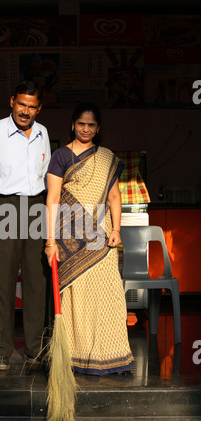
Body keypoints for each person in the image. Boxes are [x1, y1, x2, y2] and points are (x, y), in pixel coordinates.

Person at [45, 102, 134, 376]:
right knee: (77, 297)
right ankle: (76, 355)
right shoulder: (61, 156)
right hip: (70, 237)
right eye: (81, 124)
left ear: (98, 128)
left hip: (101, 235)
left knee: (108, 295)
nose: (86, 129)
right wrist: (50, 241)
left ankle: (112, 355)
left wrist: (117, 229)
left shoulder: (106, 157)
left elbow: (114, 197)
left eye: (91, 125)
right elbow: (53, 198)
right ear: (73, 124)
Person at [0, 81, 51, 370]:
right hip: (5, 206)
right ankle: (2, 351)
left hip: (37, 207)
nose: (25, 111)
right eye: (21, 104)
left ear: (38, 108)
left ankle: (35, 349)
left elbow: (47, 175)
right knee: (3, 279)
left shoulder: (42, 132)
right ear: (12, 102)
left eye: (32, 106)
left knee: (36, 280)